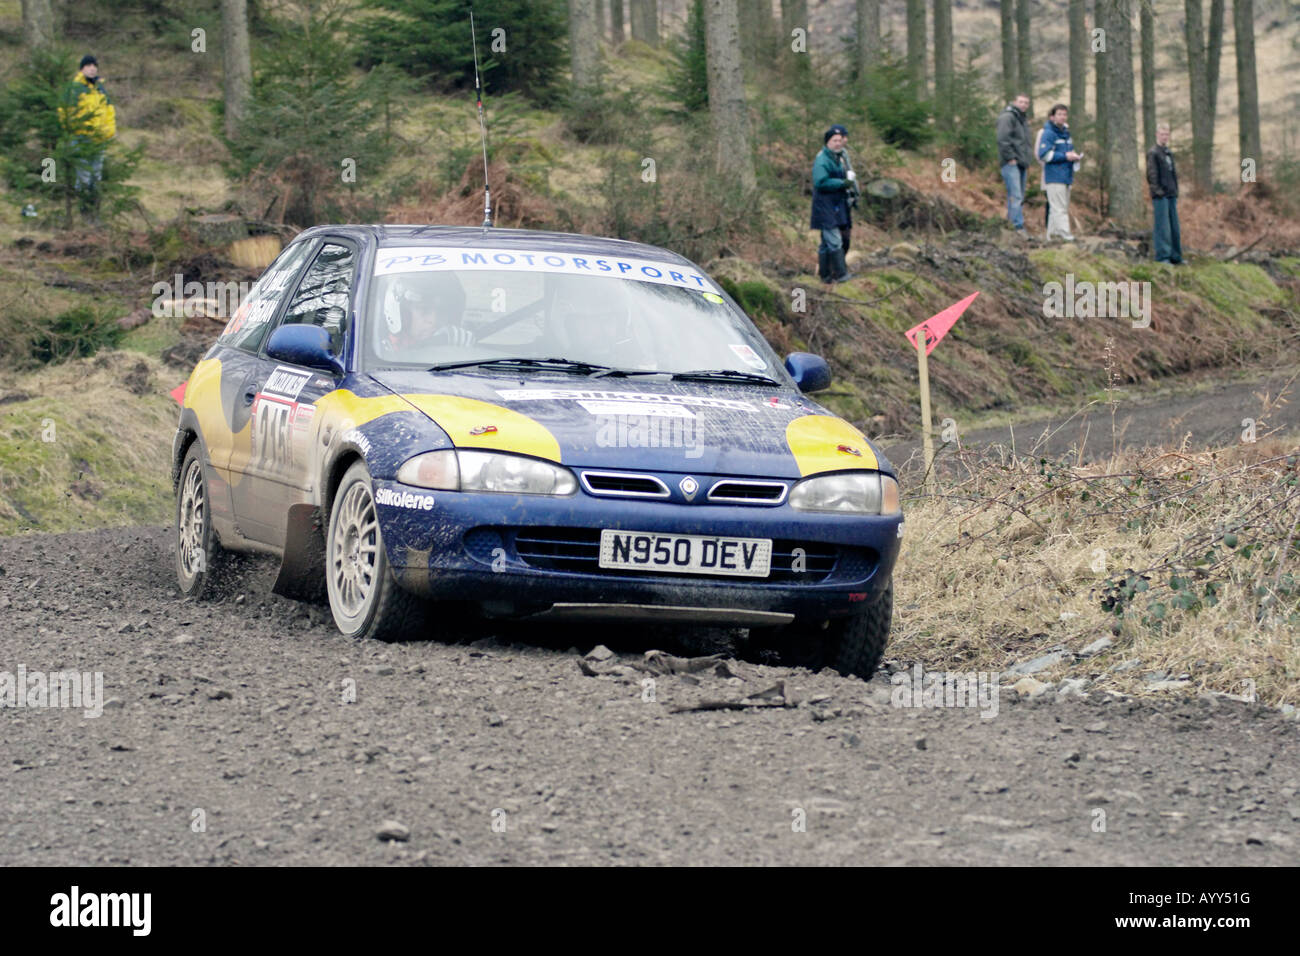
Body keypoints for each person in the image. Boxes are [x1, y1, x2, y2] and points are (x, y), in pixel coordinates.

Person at [58, 55, 117, 222]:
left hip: (99, 140)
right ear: (81, 69)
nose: (92, 68)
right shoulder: (74, 89)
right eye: (88, 65)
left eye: (94, 65)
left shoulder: (100, 89)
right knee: (83, 177)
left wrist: (109, 131)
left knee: (96, 177)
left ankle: (94, 215)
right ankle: (84, 214)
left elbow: (109, 112)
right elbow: (65, 112)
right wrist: (77, 130)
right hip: (80, 138)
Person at [810, 123, 857, 283]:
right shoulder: (822, 159)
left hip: (836, 205)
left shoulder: (839, 157)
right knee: (834, 240)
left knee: (826, 243)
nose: (837, 143)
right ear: (827, 142)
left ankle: (826, 276)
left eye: (839, 140)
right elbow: (820, 182)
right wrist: (842, 183)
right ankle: (841, 275)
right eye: (834, 141)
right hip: (824, 206)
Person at [381, 275, 475, 353]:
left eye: (442, 312)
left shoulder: (456, 345)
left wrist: (463, 352)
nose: (433, 320)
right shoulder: (383, 354)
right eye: (424, 310)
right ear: (403, 314)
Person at [1039, 104, 1081, 241]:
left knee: (1057, 208)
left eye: (1064, 114)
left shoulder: (1066, 134)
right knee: (1059, 208)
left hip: (1066, 175)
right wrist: (1065, 156)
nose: (1062, 117)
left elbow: (1066, 152)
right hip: (1054, 175)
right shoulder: (1049, 133)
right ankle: (1064, 234)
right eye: (1059, 114)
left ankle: (1052, 236)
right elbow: (1044, 155)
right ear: (1052, 117)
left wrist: (1073, 156)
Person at [996, 93, 1033, 233]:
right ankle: (1017, 226)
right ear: (1015, 102)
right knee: (1015, 195)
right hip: (1011, 163)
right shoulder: (1008, 117)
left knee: (1019, 196)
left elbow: (1024, 142)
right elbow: (1002, 139)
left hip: (1021, 163)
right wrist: (1010, 157)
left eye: (1026, 103)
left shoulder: (1021, 119)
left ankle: (1012, 224)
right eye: (1021, 102)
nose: (1023, 105)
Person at [1146, 124, 1182, 265]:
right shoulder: (1153, 153)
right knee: (1162, 227)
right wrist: (1157, 191)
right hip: (1160, 195)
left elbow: (1172, 174)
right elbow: (1151, 174)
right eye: (1162, 134)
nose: (1164, 137)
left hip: (1171, 194)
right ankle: (1162, 257)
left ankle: (1176, 256)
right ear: (1157, 135)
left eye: (1166, 134)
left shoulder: (1168, 153)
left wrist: (1175, 190)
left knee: (1174, 227)